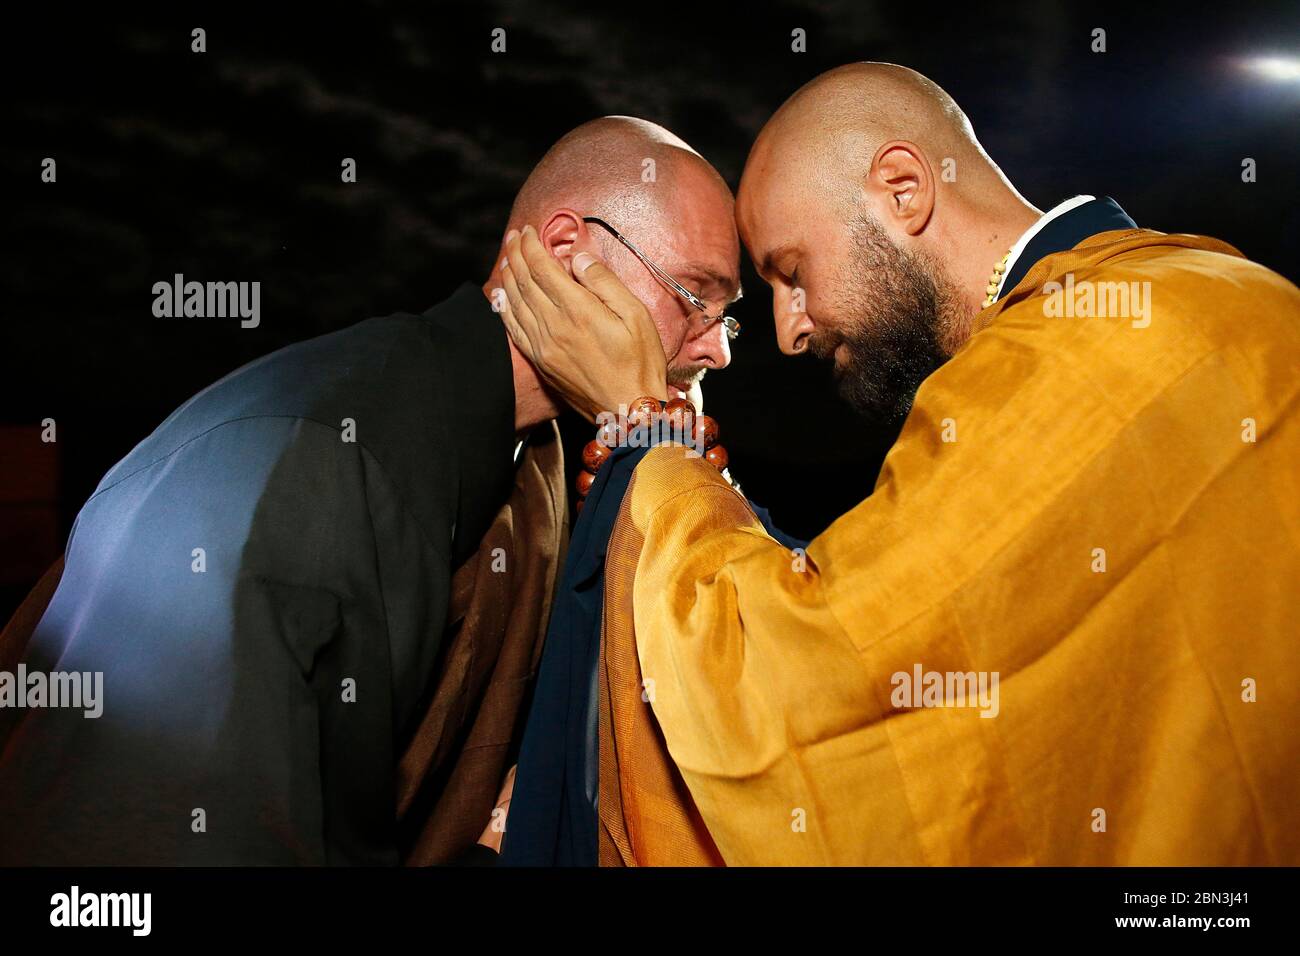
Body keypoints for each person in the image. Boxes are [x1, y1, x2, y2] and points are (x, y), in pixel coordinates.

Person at [495, 64, 1300, 865]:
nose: (787, 332)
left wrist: (647, 432)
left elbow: (813, 687)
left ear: (904, 190)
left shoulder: (1065, 358)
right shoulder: (1224, 295)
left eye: (792, 273)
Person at [0, 116, 742, 865]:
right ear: (563, 251)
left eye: (727, 317)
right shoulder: (300, 451)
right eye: (695, 296)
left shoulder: (543, 454)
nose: (715, 347)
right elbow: (144, 827)